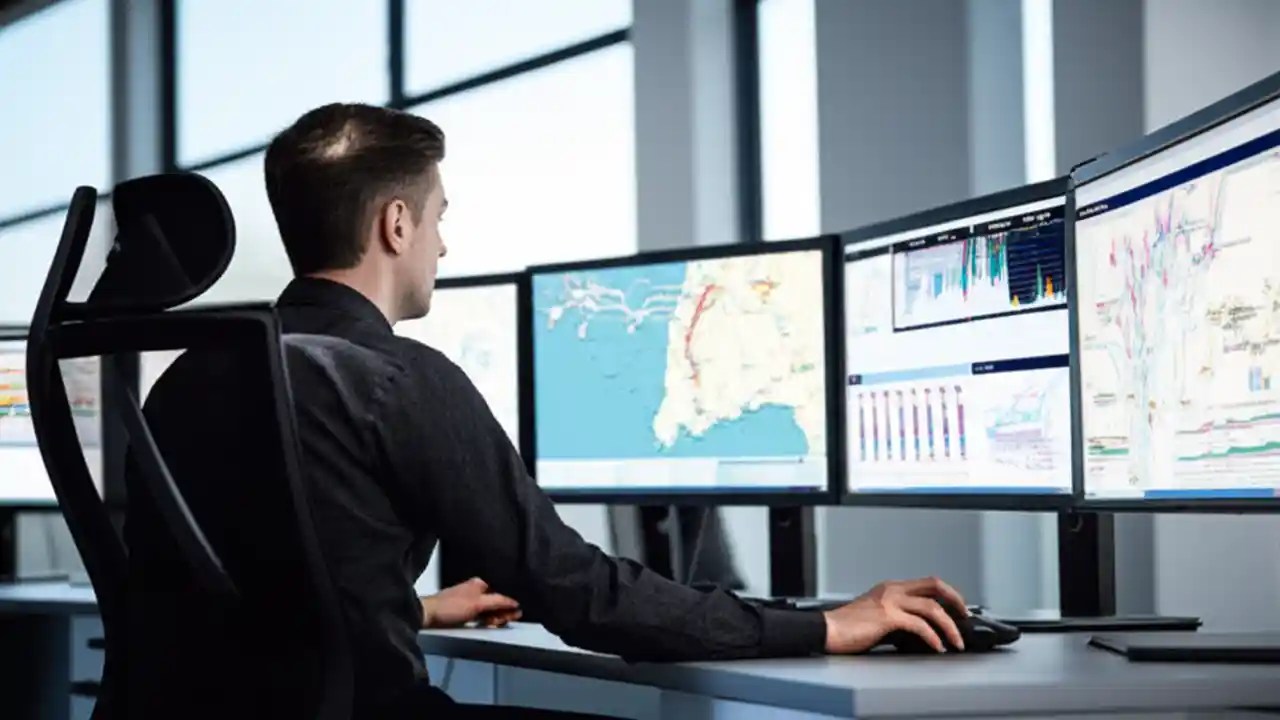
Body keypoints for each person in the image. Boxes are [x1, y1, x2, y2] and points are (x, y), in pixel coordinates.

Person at [138, 103, 971, 719]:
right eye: (437, 221)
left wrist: (415, 609)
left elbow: (245, 596)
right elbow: (581, 596)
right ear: (396, 224)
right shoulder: (395, 380)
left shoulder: (183, 380)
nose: (443, 246)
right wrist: (824, 625)